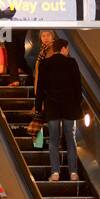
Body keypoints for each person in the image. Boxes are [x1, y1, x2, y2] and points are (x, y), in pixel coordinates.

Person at [35, 38, 83, 182]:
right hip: (70, 108)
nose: (68, 51)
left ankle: (55, 172)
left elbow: (40, 88)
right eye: (67, 49)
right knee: (70, 139)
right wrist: (77, 102)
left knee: (54, 141)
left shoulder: (45, 64)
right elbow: (78, 86)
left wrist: (38, 107)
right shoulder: (71, 63)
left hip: (52, 108)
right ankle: (73, 173)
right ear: (63, 48)